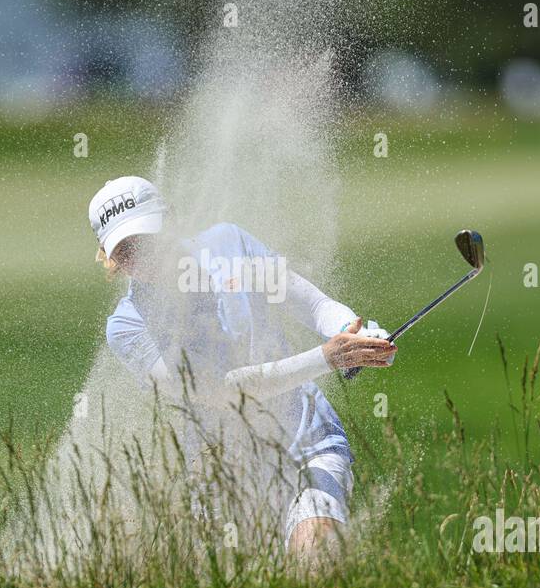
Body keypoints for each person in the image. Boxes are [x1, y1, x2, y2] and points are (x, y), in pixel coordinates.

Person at [88, 175, 396, 565]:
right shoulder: (128, 326)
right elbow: (221, 393)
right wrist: (327, 358)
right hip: (219, 475)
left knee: (316, 562)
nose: (141, 258)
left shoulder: (228, 245)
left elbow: (314, 306)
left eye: (146, 240)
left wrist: (356, 333)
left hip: (306, 440)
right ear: (111, 258)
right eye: (125, 252)